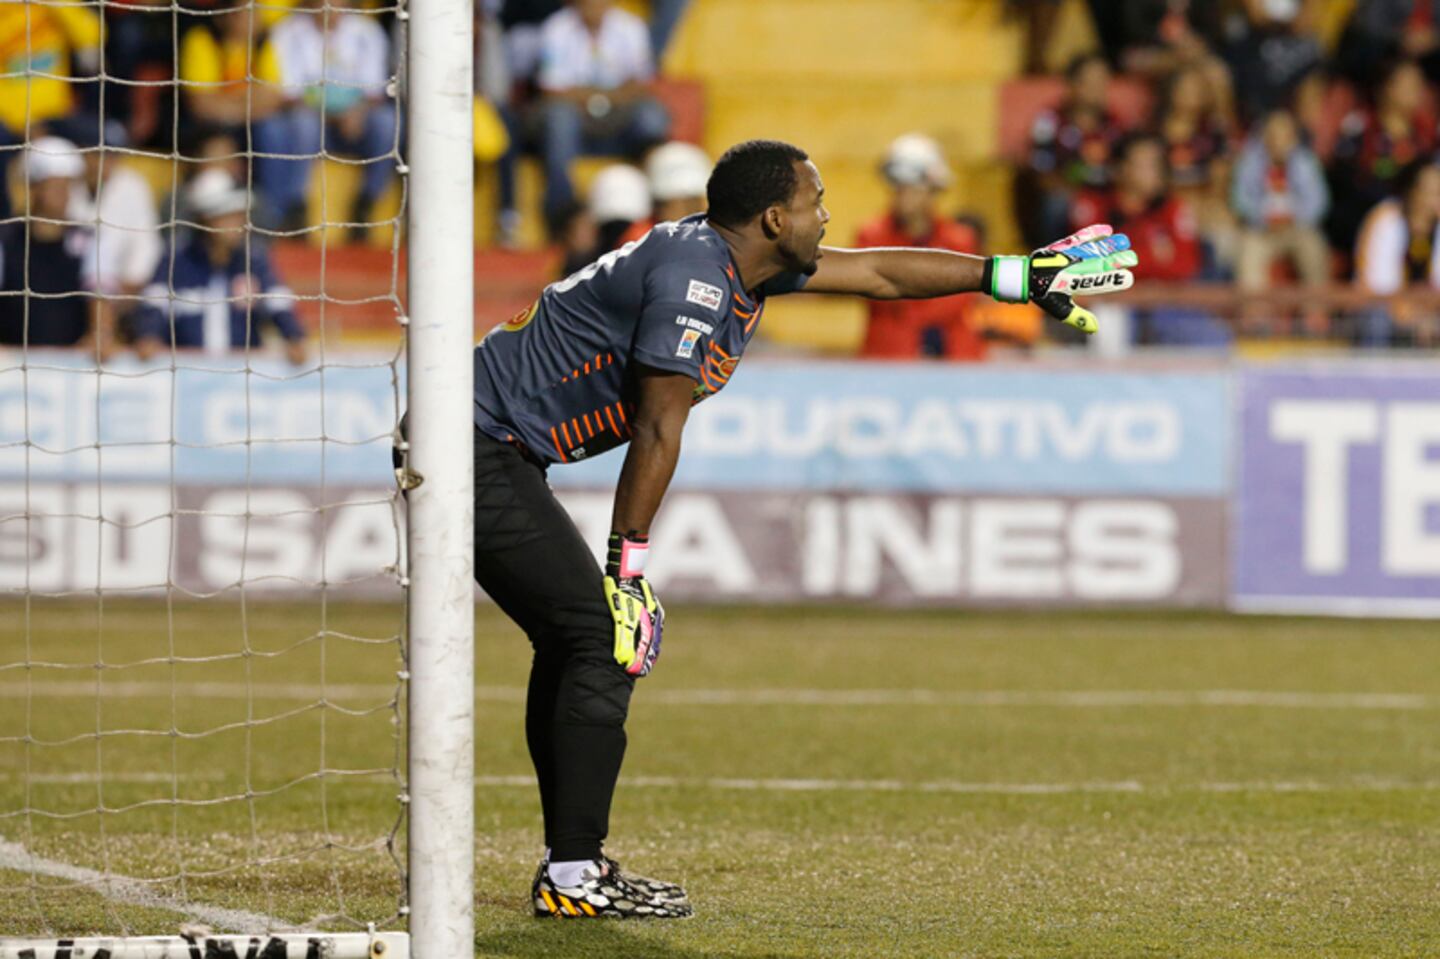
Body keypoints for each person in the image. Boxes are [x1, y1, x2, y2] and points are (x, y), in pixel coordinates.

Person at [421, 139, 1136, 919]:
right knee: (600, 635)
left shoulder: (734, 259)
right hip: (469, 445)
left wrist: (1011, 275)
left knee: (578, 637)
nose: (825, 215)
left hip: (485, 442)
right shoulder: (693, 279)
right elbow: (660, 428)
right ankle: (573, 875)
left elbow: (879, 272)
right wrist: (627, 569)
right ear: (773, 216)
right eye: (814, 200)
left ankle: (573, 867)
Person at [132, 170, 307, 362]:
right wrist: (148, 336)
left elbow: (278, 302)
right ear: (206, 219)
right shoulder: (176, 260)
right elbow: (154, 304)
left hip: (243, 377)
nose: (240, 224)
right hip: (186, 374)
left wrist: (294, 337)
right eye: (228, 216)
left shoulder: (254, 260)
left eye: (240, 216)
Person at [256, 0, 398, 233]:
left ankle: (368, 203)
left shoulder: (367, 31)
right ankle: (296, 205)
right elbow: (288, 93)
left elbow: (376, 90)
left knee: (387, 121)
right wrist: (331, 115)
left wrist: (356, 112)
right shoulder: (288, 30)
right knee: (303, 123)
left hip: (357, 123)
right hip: (309, 122)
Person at [530, 0, 671, 228]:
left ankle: (660, 202)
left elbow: (642, 83)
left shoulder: (631, 26)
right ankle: (563, 212)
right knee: (559, 119)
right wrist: (604, 95)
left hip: (617, 111)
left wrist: (597, 96)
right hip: (577, 114)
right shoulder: (556, 27)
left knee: (651, 115)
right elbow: (551, 89)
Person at [854, 134, 985, 359]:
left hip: (955, 360)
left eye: (912, 188)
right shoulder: (871, 237)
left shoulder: (960, 239)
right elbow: (879, 290)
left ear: (932, 190)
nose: (903, 196)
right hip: (889, 358)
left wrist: (909, 299)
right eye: (898, 187)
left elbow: (958, 298)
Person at [0, 138, 106, 352]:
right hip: (11, 363)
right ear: (34, 187)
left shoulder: (86, 239)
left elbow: (100, 299)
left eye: (68, 185)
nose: (64, 193)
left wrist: (99, 336)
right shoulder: (6, 239)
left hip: (70, 364)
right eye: (55, 184)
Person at [1327, 59, 1438, 255]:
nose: (1416, 90)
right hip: (1366, 220)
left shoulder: (1427, 135)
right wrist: (1397, 207)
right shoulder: (1359, 130)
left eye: (1418, 83)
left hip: (1424, 223)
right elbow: (1345, 184)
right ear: (1385, 88)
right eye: (1407, 83)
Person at [1232, 109, 1331, 328]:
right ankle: (1256, 317)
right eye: (1273, 134)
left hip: (1297, 228)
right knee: (1249, 250)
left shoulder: (1306, 162)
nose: (1278, 141)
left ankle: (1315, 314)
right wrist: (1264, 219)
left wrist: (1293, 220)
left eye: (1284, 134)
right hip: (1262, 229)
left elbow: (1318, 202)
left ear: (1293, 137)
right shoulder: (1249, 161)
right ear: (1264, 136)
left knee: (1314, 247)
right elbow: (1240, 200)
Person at [1019, 52, 1125, 248]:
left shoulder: (1113, 123)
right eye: (1090, 82)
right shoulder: (1050, 120)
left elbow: (1123, 167)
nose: (1098, 89)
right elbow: (1040, 174)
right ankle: (1051, 262)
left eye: (1103, 82)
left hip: (1108, 197)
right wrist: (1077, 195)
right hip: (1067, 196)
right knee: (1057, 204)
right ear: (1072, 84)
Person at [1353, 161, 1440, 346]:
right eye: (1429, 190)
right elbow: (1377, 284)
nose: (1435, 198)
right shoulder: (1386, 219)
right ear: (1412, 191)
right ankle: (1374, 370)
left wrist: (1428, 313)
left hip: (1430, 313)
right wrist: (1411, 317)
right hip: (1387, 310)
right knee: (1377, 319)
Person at [617, 141, 712, 246]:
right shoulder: (639, 241)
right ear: (658, 204)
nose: (694, 209)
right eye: (686, 202)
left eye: (695, 200)